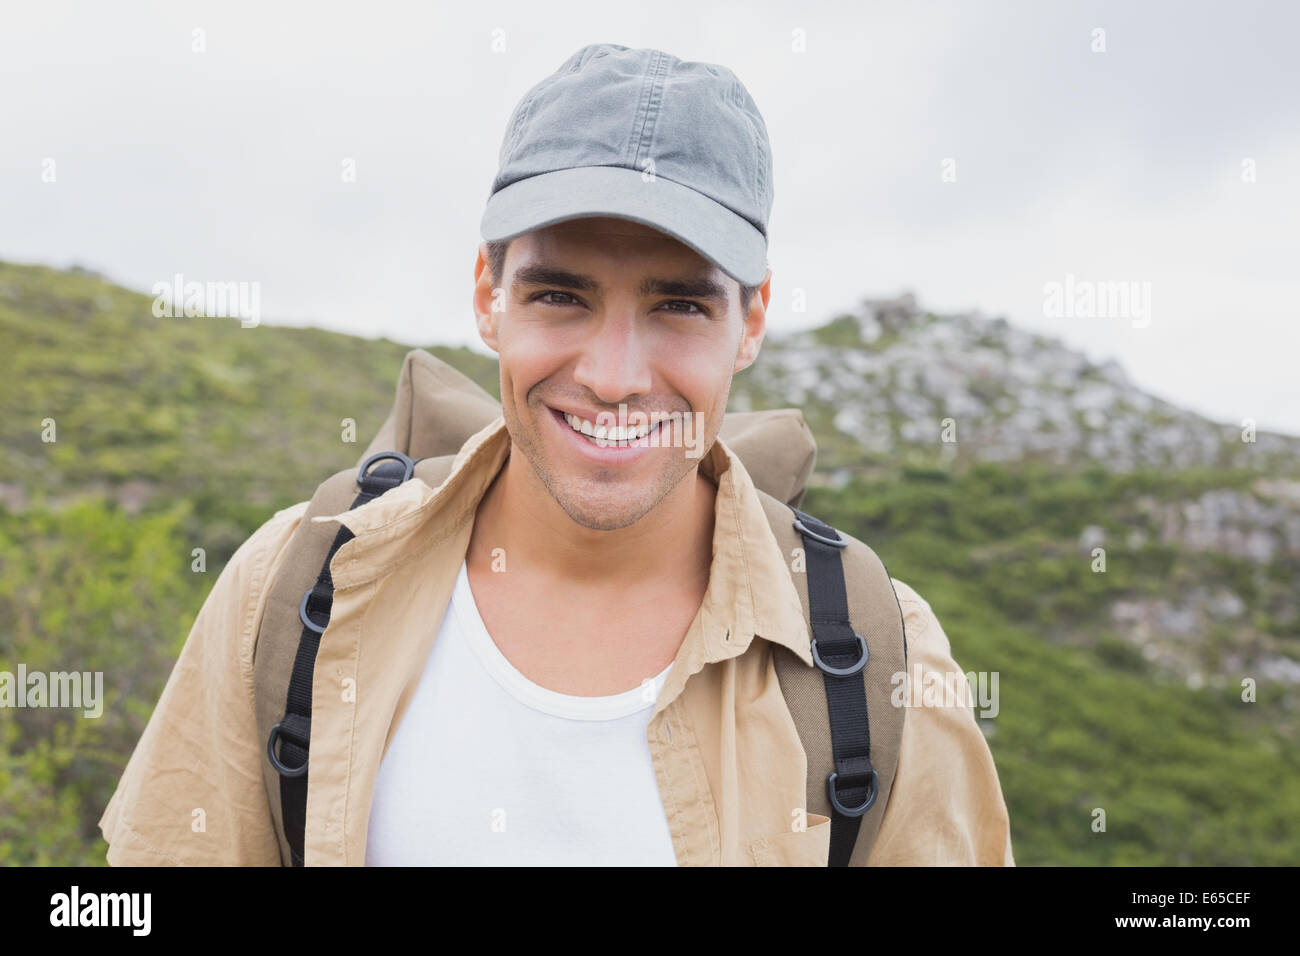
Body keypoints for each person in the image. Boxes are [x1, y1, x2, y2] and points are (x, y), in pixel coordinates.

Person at [99, 43, 1014, 866]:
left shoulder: (882, 657)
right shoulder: (289, 591)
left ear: (752, 322)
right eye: (560, 297)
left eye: (679, 306)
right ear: (487, 296)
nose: (614, 377)